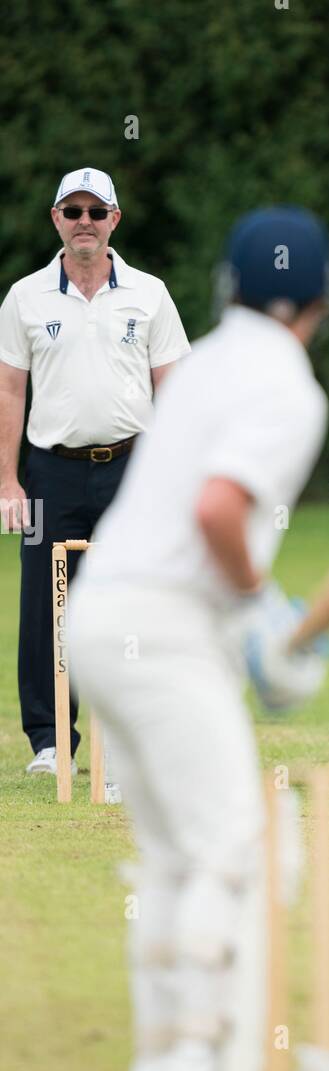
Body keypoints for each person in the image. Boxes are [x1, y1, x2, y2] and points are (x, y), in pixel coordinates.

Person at [68, 207, 329, 1071]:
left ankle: (168, 1066)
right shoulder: (287, 386)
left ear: (227, 286)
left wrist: (243, 616)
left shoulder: (208, 364)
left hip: (98, 617)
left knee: (178, 854)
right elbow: (220, 513)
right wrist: (262, 608)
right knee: (248, 846)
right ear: (322, 303)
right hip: (162, 627)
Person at [0, 168, 189, 798]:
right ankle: (52, 742)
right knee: (45, 605)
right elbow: (9, 390)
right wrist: (7, 480)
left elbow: (175, 388)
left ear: (115, 219)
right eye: (72, 210)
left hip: (134, 466)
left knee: (134, 603)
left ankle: (128, 742)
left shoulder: (150, 293)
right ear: (56, 218)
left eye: (96, 211)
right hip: (50, 468)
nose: (85, 221)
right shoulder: (25, 297)